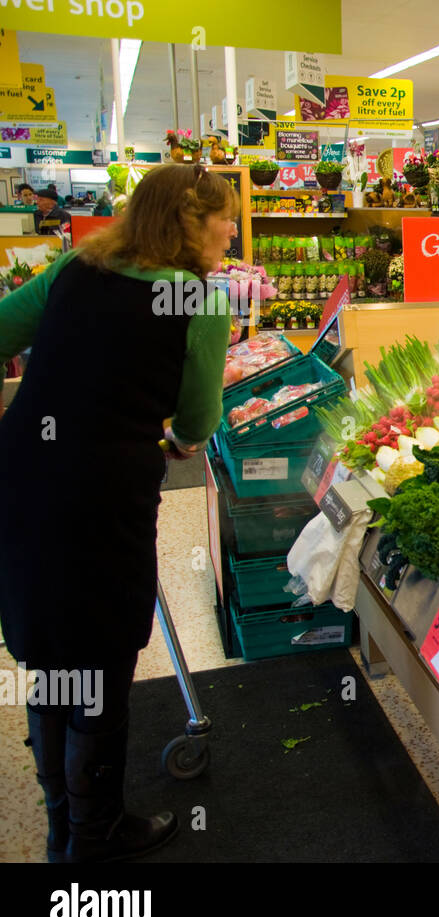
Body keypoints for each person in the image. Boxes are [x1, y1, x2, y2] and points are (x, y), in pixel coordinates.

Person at [0, 163, 237, 863]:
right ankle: (96, 839)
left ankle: (60, 825)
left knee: (48, 649)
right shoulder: (198, 298)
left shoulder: (77, 268)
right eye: (223, 216)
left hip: (22, 473)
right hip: (105, 491)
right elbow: (196, 420)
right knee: (102, 653)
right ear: (191, 222)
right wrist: (171, 439)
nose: (231, 228)